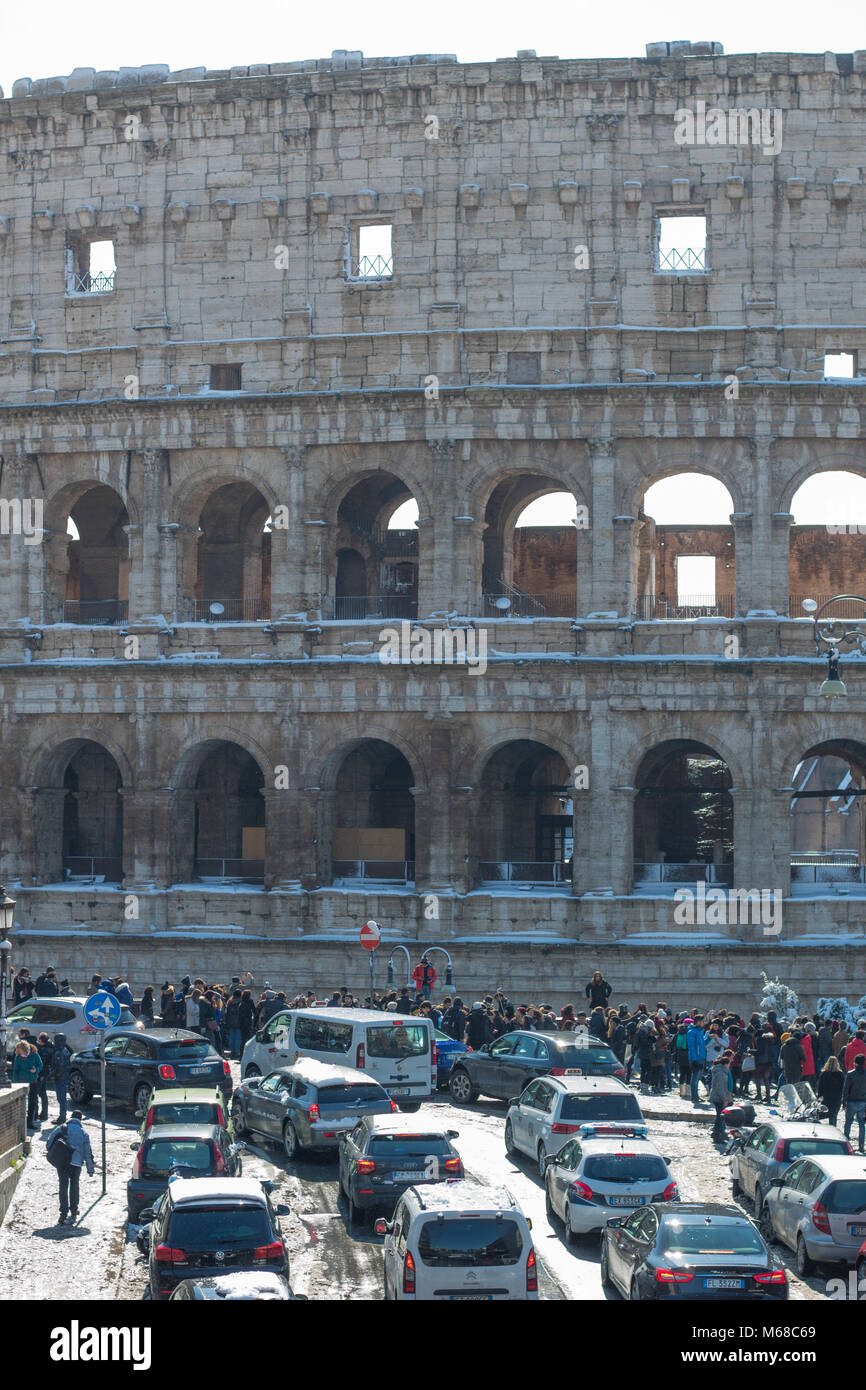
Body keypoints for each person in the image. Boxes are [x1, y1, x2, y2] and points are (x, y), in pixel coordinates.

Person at [48, 1109, 95, 1226]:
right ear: (80, 1120)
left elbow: (49, 1143)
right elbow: (87, 1153)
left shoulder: (61, 1128)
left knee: (63, 1186)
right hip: (76, 1164)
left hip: (62, 1163)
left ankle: (63, 1214)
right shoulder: (84, 1133)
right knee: (74, 1187)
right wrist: (90, 1169)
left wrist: (56, 1155)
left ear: (71, 1117)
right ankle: (73, 1212)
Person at [12, 1040, 43, 1128]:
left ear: (26, 1050)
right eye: (18, 1051)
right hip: (21, 1082)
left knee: (32, 1102)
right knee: (21, 1101)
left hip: (33, 1081)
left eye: (20, 1051)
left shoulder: (35, 1054)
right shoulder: (18, 1057)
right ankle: (20, 1121)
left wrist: (35, 1070)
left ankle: (30, 1122)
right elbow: (16, 1070)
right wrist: (15, 1082)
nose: (19, 1053)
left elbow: (40, 1065)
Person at [842, 1054, 866, 1153]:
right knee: (861, 1124)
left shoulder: (850, 1074)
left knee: (848, 1123)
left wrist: (844, 1102)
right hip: (863, 1102)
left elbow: (846, 1089)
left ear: (855, 1062)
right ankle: (861, 1145)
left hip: (851, 1101)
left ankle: (845, 1145)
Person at [710, 1055, 733, 1141]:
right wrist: (725, 1099)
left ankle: (716, 1133)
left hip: (720, 1097)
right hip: (719, 1098)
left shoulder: (722, 1071)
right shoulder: (720, 1073)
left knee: (720, 1116)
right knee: (722, 1117)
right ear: (726, 1064)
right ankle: (719, 1135)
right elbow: (720, 1088)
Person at [817, 1055, 844, 1128]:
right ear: (837, 1063)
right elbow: (842, 1088)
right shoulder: (840, 1074)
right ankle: (833, 1132)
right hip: (836, 1100)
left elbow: (820, 1088)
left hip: (826, 1099)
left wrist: (818, 1098)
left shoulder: (824, 1074)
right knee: (833, 1117)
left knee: (821, 1116)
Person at [686, 1015, 708, 1105]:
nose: (704, 1023)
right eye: (703, 1021)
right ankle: (694, 1097)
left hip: (701, 1057)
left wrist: (709, 1038)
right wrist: (694, 1060)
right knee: (694, 1078)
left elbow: (702, 1044)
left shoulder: (700, 1031)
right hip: (696, 1058)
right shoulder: (691, 1032)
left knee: (698, 1077)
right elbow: (692, 1047)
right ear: (698, 1021)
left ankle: (696, 1096)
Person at [52, 1032, 72, 1123]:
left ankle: (62, 1117)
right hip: (65, 1077)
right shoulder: (65, 1050)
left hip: (60, 1078)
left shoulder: (60, 1052)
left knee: (61, 1098)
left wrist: (53, 1075)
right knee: (62, 1098)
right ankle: (62, 1116)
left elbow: (59, 1067)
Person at [35, 1032, 55, 1122]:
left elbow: (43, 1064)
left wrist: (42, 1075)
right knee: (43, 1094)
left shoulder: (43, 1050)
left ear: (41, 1041)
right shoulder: (51, 1048)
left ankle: (39, 1113)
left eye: (39, 1040)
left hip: (42, 1074)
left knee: (39, 1093)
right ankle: (44, 1113)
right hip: (46, 1073)